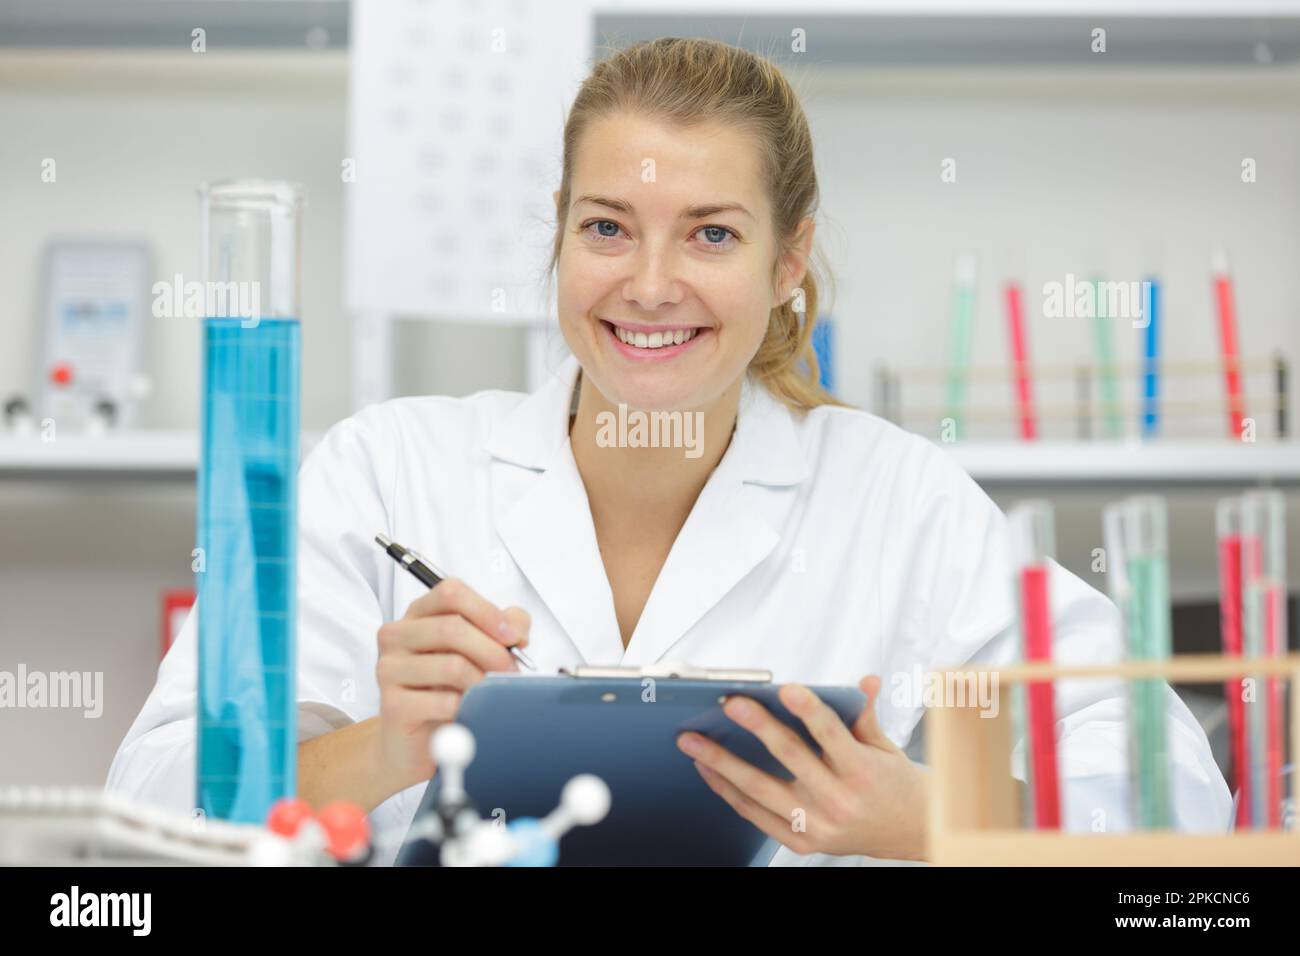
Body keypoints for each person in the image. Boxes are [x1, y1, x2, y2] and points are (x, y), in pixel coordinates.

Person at [108, 37, 1231, 866]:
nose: (649, 284)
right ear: (557, 233)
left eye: (710, 233)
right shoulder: (381, 472)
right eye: (606, 227)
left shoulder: (901, 500)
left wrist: (928, 818)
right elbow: (145, 825)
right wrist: (384, 748)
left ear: (789, 259)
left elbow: (1177, 805)